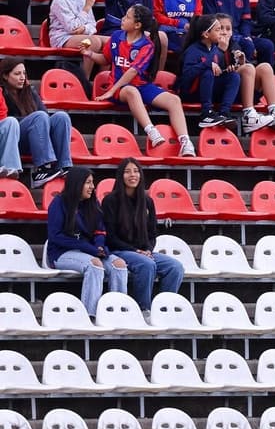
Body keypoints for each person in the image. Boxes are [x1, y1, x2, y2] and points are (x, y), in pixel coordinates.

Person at [94, 5, 195, 157]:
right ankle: (152, 132)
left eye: (127, 17)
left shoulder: (147, 45)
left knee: (174, 100)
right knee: (131, 91)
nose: (123, 19)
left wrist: (111, 91)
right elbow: (105, 59)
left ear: (137, 25)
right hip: (122, 88)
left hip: (139, 86)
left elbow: (133, 71)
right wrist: (89, 54)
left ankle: (186, 142)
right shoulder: (115, 37)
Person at [101, 158, 184, 317]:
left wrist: (147, 249)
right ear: (120, 176)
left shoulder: (147, 201)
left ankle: (164, 309)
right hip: (119, 250)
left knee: (175, 267)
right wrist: (136, 251)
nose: (132, 175)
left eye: (136, 171)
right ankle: (143, 309)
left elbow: (152, 234)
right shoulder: (110, 201)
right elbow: (110, 237)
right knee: (146, 264)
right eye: (127, 171)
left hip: (142, 251)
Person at [47, 167, 128, 318]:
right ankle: (89, 315)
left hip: (90, 250)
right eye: (88, 183)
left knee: (119, 264)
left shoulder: (92, 203)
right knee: (95, 264)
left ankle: (118, 312)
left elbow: (100, 230)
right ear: (77, 184)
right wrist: (87, 248)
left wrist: (99, 245)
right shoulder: (59, 203)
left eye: (93, 183)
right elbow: (55, 236)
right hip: (62, 252)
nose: (92, 187)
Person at [209, 13, 275, 133]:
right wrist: (220, 50)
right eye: (220, 29)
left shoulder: (235, 44)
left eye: (228, 29)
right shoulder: (208, 46)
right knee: (248, 69)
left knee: (265, 67)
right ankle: (248, 114)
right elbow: (211, 70)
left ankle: (274, 111)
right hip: (220, 91)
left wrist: (240, 62)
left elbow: (238, 68)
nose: (224, 32)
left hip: (240, 90)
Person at [0, 58, 72, 186]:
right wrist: (32, 120)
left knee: (61, 116)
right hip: (15, 141)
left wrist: (36, 121)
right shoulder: (2, 93)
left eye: (24, 73)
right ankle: (42, 169)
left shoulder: (29, 91)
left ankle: (64, 166)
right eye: (17, 74)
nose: (22, 77)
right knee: (38, 117)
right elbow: (6, 124)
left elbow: (45, 116)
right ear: (5, 76)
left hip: (37, 136)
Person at [178, 13, 241, 129]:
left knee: (233, 76)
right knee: (207, 72)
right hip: (192, 92)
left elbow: (217, 70)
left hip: (209, 89)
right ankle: (206, 113)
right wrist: (207, 63)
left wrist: (226, 70)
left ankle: (224, 112)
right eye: (217, 30)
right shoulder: (193, 50)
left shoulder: (214, 48)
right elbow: (186, 75)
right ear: (206, 34)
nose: (221, 32)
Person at [48, 0, 106, 81]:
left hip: (80, 34)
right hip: (62, 37)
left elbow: (92, 25)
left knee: (111, 41)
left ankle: (102, 81)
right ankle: (84, 81)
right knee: (92, 42)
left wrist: (84, 29)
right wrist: (86, 8)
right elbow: (72, 28)